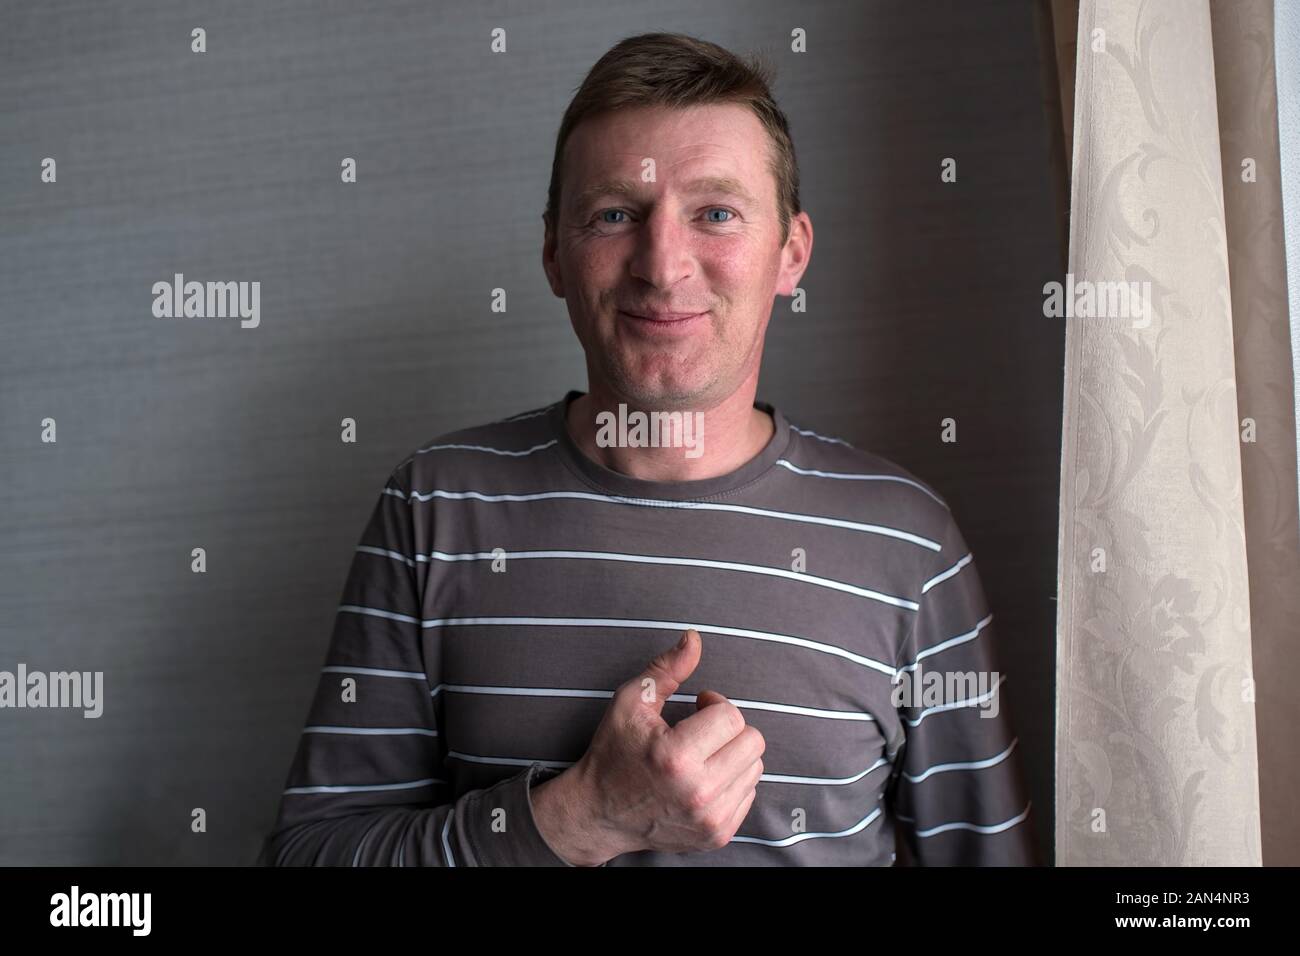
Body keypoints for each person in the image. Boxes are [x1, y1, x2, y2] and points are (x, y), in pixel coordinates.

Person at [257, 31, 1037, 866]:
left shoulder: (909, 544)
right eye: (615, 215)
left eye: (715, 213)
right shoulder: (438, 508)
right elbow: (308, 857)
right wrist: (578, 817)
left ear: (791, 253)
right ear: (555, 253)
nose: (663, 267)